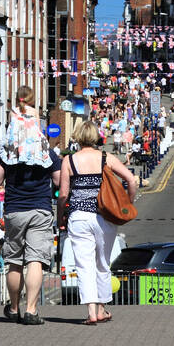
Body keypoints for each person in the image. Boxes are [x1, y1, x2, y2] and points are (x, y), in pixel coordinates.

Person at [0, 89, 63, 326]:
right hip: (40, 210)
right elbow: (60, 181)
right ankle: (31, 310)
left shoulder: (8, 154)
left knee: (15, 262)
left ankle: (12, 307)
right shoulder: (46, 152)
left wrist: (7, 167)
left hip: (14, 211)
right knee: (35, 261)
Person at [58, 120, 141, 325]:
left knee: (84, 266)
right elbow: (131, 180)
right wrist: (127, 203)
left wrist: (60, 215)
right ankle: (103, 309)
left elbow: (63, 194)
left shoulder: (69, 161)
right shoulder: (106, 157)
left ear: (77, 136)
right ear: (96, 137)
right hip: (104, 216)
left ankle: (92, 313)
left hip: (78, 217)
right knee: (102, 264)